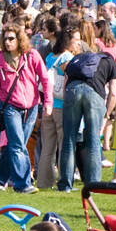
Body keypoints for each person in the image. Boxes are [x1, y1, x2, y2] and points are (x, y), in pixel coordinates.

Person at [0, 24, 52, 195]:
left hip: (32, 107)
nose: (7, 42)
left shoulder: (32, 55)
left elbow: (45, 79)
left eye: (11, 38)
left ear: (19, 39)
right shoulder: (0, 59)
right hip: (9, 106)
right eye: (5, 38)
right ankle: (22, 184)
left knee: (15, 145)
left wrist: (48, 102)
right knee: (18, 145)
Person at [57, 45, 116, 192]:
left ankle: (65, 185)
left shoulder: (77, 59)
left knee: (69, 140)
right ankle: (93, 185)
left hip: (72, 90)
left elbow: (66, 83)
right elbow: (113, 93)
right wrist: (107, 114)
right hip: (94, 94)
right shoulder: (110, 62)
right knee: (93, 141)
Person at [38, 29, 81, 191]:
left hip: (48, 106)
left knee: (47, 148)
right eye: (75, 40)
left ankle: (43, 182)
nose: (77, 43)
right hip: (62, 107)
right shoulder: (68, 59)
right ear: (67, 42)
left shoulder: (50, 57)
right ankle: (64, 181)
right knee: (65, 146)